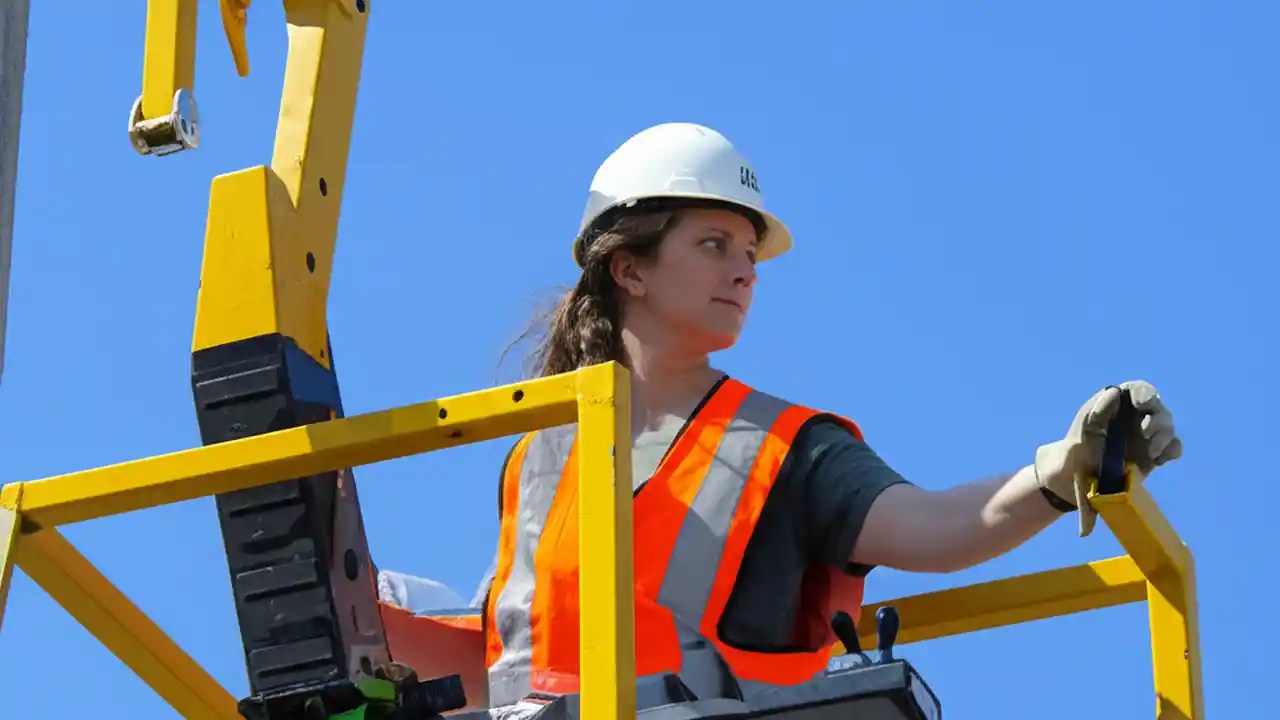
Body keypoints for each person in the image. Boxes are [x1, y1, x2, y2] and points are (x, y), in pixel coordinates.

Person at [378, 122, 1183, 716]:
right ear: (631, 268)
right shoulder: (538, 458)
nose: (743, 272)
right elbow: (507, 659)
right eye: (715, 245)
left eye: (750, 257)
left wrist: (1057, 472)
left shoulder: (788, 448)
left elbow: (939, 528)